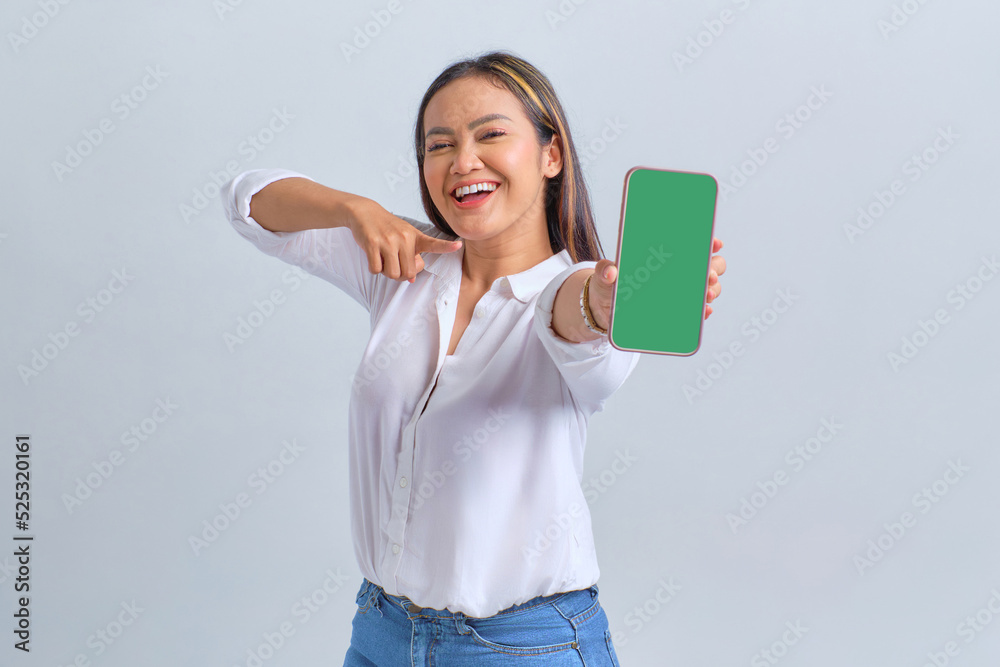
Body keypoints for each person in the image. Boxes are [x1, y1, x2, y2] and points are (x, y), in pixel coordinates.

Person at [222, 50, 725, 666]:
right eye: (440, 145)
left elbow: (573, 316)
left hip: (522, 647)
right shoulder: (404, 266)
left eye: (490, 135)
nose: (463, 162)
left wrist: (603, 303)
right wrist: (356, 211)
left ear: (551, 155)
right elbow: (248, 202)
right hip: (381, 631)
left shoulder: (571, 293)